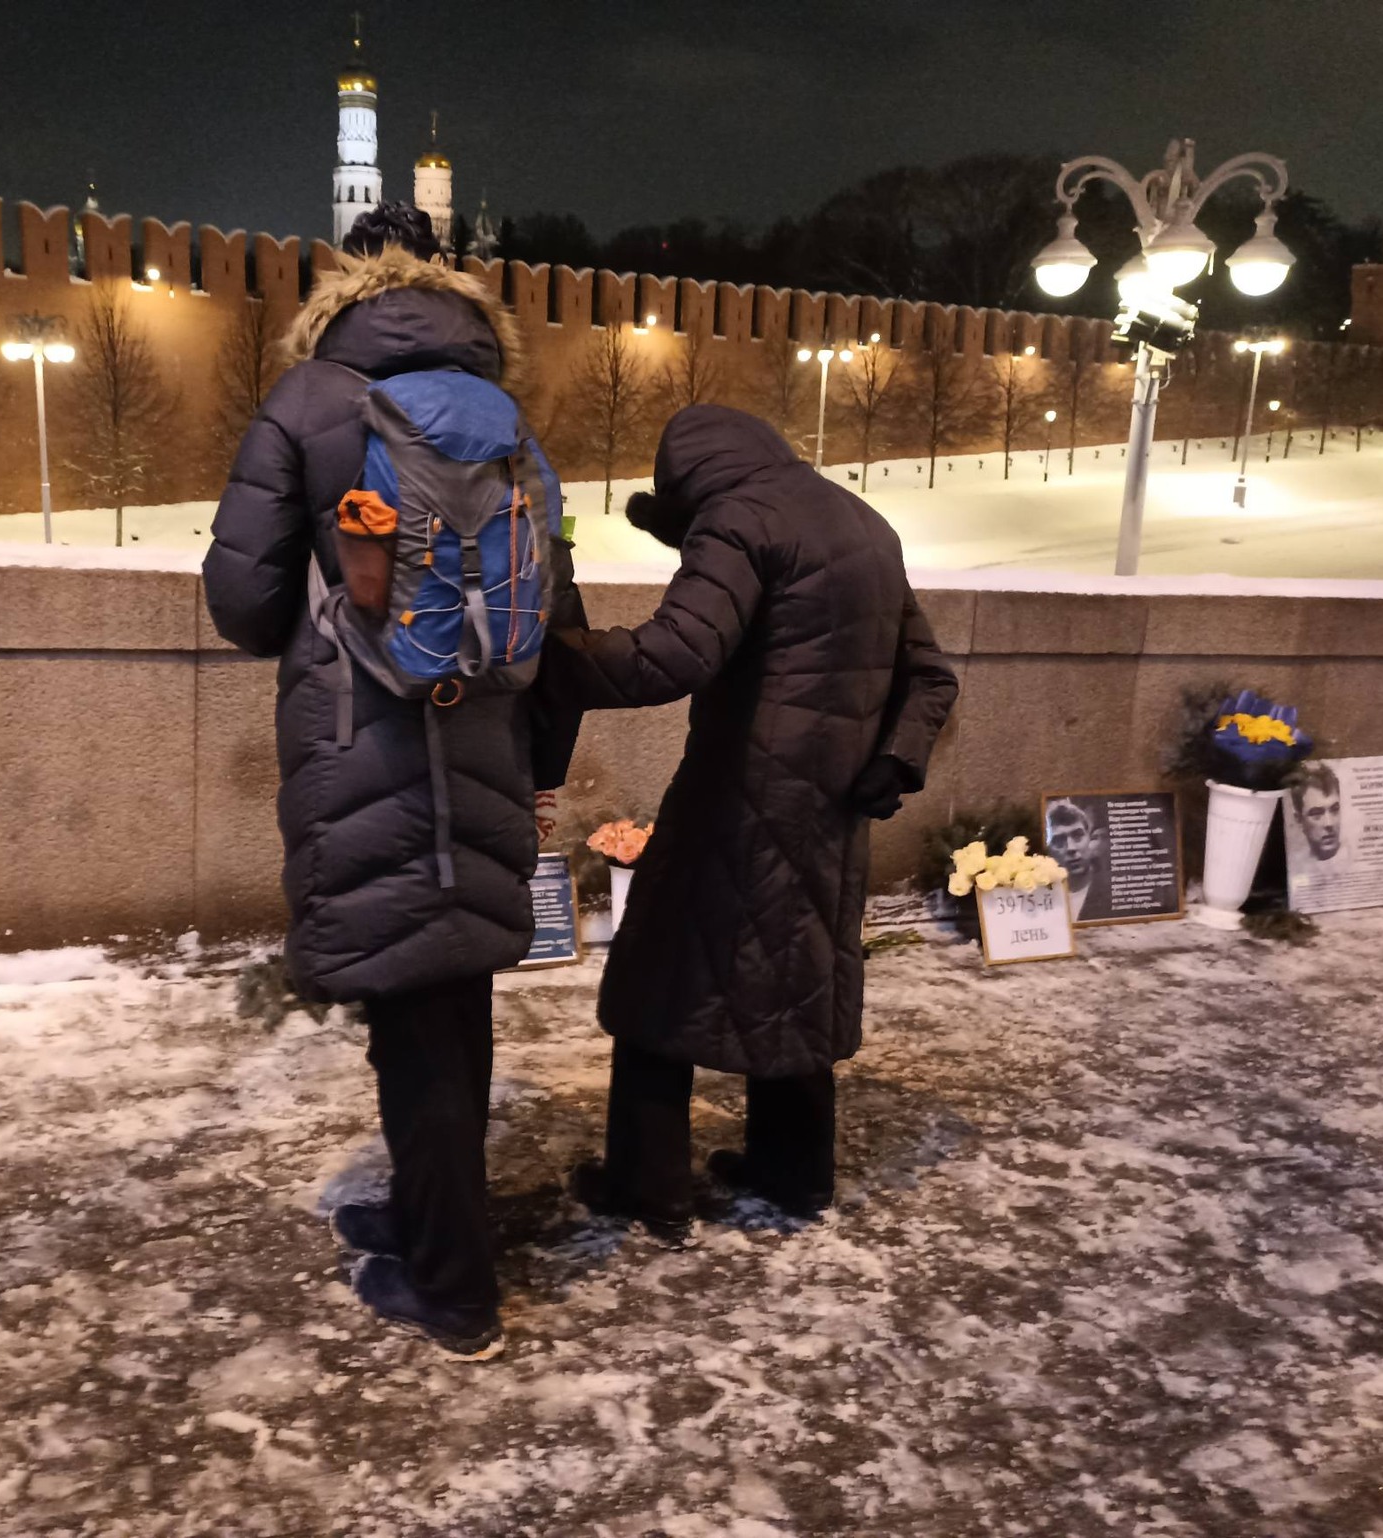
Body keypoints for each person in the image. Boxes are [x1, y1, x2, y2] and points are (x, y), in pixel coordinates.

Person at [204, 202, 582, 1359]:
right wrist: (539, 769)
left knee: (416, 1018)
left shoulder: (310, 402)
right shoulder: (508, 422)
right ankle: (431, 1217)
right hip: (483, 750)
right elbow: (552, 614)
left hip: (361, 743)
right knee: (443, 1004)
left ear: (342, 293)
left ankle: (455, 1288)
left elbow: (243, 602)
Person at [543, 405, 959, 1234]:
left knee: (658, 979)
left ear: (689, 480)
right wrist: (892, 760)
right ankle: (794, 1173)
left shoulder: (737, 518)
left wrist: (549, 652)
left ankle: (647, 1185)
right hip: (832, 812)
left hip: (735, 805)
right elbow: (933, 677)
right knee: (797, 972)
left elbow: (675, 654)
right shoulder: (862, 521)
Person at [1046, 797, 1113, 922]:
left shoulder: (1112, 892)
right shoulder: (1043, 896)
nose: (1071, 848)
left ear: (1089, 838)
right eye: (1059, 841)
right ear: (1049, 849)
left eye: (1077, 835)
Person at [1290, 765, 1348, 865]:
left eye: (1334, 810)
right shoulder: (1296, 865)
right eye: (1316, 814)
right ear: (1299, 819)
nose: (1329, 823)